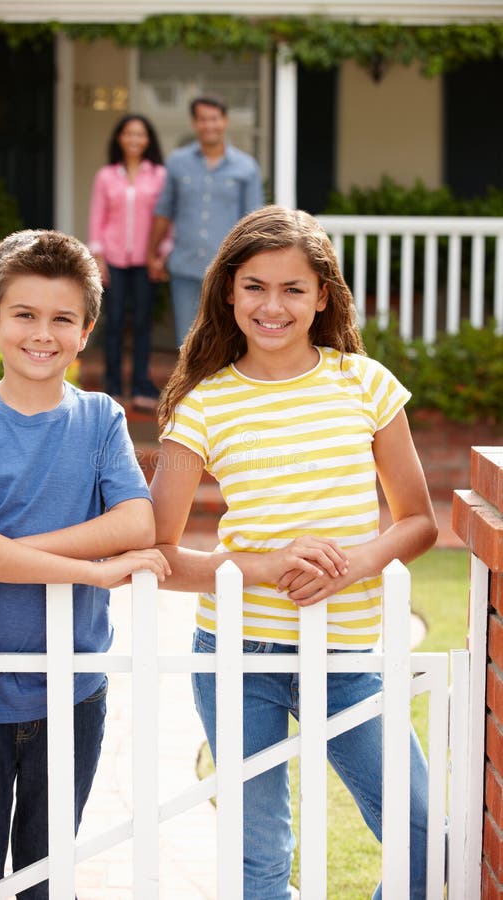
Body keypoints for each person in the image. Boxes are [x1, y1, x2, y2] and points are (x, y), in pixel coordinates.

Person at [150, 206, 438, 899]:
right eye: (254, 286)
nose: (272, 306)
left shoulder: (366, 384)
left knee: (425, 836)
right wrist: (267, 566)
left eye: (292, 289)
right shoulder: (201, 406)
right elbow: (157, 554)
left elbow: (419, 522)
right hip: (237, 654)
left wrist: (351, 565)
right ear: (228, 292)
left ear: (323, 297)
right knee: (260, 857)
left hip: (347, 656)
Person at [0, 229, 170, 900]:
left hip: (72, 690)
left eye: (62, 318)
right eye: (24, 314)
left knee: (46, 882)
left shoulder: (101, 419)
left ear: (86, 331)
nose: (42, 333)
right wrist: (92, 570)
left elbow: (137, 523)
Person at [147, 95, 264, 346]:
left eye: (214, 119)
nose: (209, 125)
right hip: (185, 267)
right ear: (194, 123)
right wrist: (152, 254)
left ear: (224, 121)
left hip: (229, 270)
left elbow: (255, 223)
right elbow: (164, 211)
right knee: (187, 340)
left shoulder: (246, 167)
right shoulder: (177, 162)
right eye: (202, 119)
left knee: (228, 338)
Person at [88, 114, 170, 410]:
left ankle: (141, 386)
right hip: (113, 259)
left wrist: (162, 253)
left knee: (143, 323)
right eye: (128, 134)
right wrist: (98, 258)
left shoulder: (159, 175)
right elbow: (97, 218)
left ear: (148, 140)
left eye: (140, 134)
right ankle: (112, 386)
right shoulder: (106, 176)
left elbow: (166, 217)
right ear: (119, 139)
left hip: (147, 260)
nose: (134, 139)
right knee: (114, 322)